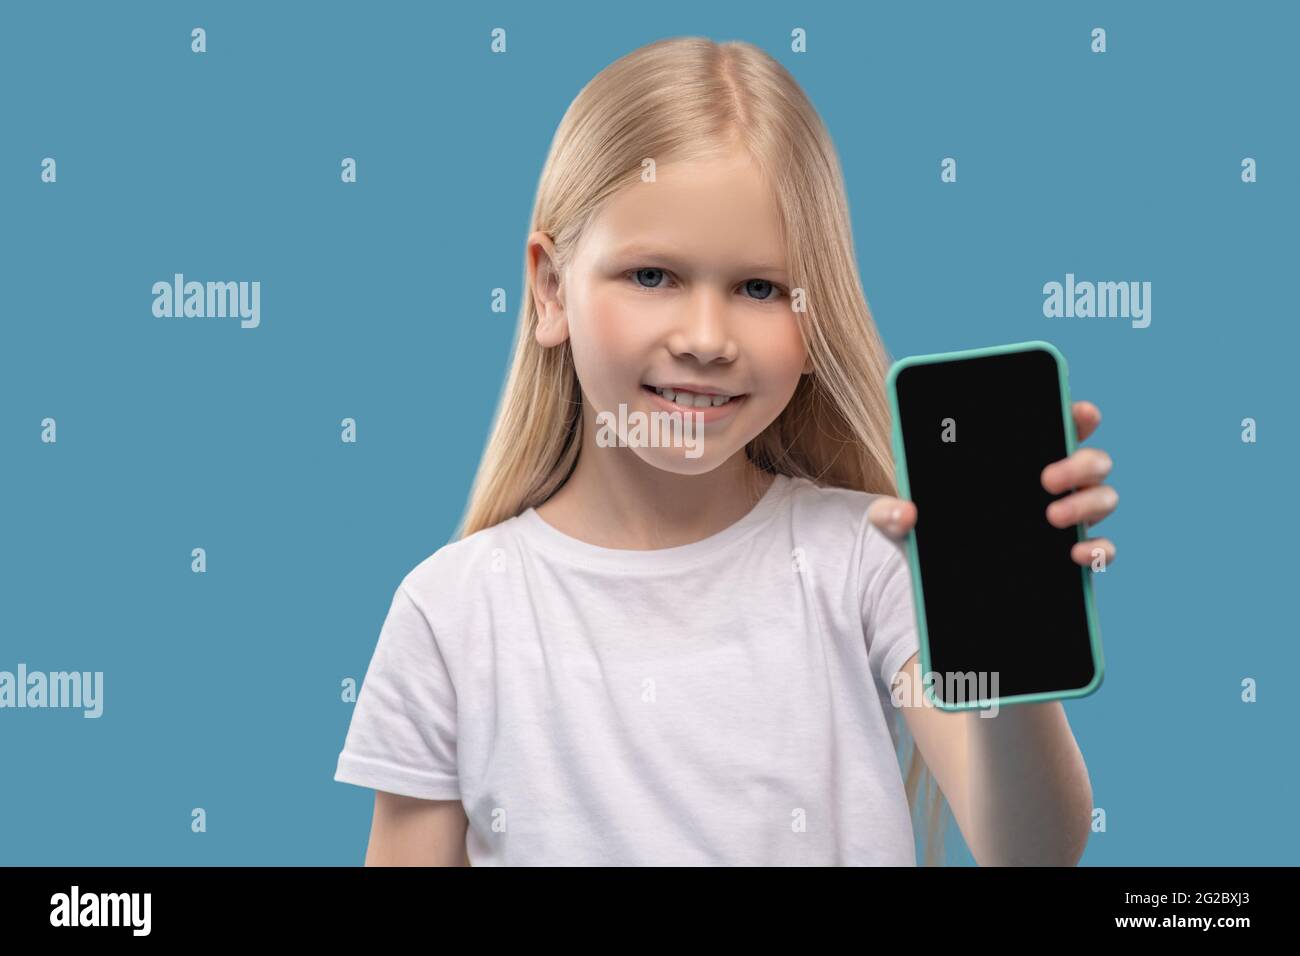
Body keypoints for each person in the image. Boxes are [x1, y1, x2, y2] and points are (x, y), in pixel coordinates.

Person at [333, 36, 1118, 866]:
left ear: (817, 321)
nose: (706, 340)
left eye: (760, 289)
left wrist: (1009, 631)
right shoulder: (450, 612)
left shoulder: (873, 563)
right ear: (551, 288)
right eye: (652, 276)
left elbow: (1030, 852)